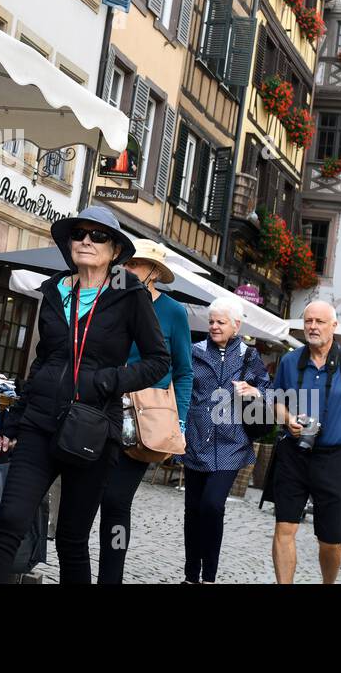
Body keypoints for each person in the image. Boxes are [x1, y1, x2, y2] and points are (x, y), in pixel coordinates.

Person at [0, 207, 170, 584]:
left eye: (98, 236)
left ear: (114, 250)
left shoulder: (129, 294)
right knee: (9, 520)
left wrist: (107, 381)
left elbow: (158, 361)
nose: (86, 241)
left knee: (71, 539)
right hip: (40, 423)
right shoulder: (54, 290)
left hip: (93, 429)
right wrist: (15, 419)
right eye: (79, 233)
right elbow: (44, 359)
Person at [96, 239, 193, 584]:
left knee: (116, 501)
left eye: (136, 264)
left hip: (145, 420)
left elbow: (184, 371)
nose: (128, 268)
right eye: (126, 262)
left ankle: (111, 576)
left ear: (153, 272)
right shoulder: (111, 299)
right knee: (87, 497)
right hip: (102, 409)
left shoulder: (173, 312)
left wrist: (178, 420)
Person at [270, 300, 341, 584]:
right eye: (308, 321)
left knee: (331, 540)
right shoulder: (292, 360)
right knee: (284, 527)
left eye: (319, 321)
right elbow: (277, 401)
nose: (313, 327)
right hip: (294, 454)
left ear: (334, 326)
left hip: (336, 458)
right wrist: (287, 419)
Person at [180, 296, 270, 584]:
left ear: (236, 325)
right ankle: (191, 575)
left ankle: (210, 576)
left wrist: (255, 393)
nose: (214, 327)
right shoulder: (194, 352)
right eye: (211, 322)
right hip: (196, 439)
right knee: (193, 510)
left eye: (220, 322)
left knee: (212, 505)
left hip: (232, 443)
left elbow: (267, 390)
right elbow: (181, 386)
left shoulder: (249, 356)